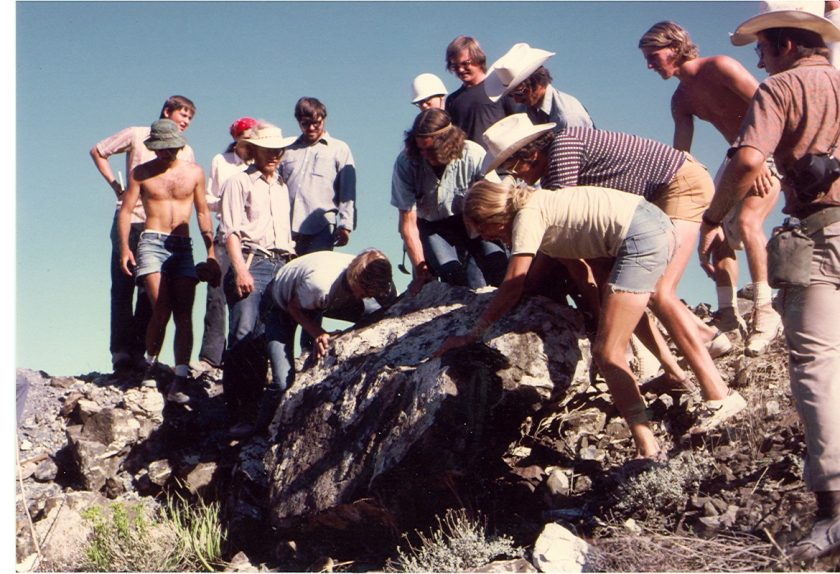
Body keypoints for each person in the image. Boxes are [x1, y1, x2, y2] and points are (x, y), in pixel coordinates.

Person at [483, 114, 746, 432]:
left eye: (512, 168)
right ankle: (682, 362)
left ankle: (718, 389)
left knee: (658, 292)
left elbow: (561, 225)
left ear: (530, 154)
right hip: (649, 207)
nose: (516, 179)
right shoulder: (555, 160)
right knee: (630, 286)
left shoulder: (562, 153)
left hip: (679, 185)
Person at [697, 1, 840, 560]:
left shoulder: (779, 91)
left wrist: (714, 217)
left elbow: (750, 158)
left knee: (816, 366)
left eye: (761, 48)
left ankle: (833, 515)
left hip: (820, 236)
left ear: (784, 44)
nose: (758, 60)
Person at [437, 179, 676, 460]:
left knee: (607, 353)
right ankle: (677, 374)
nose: (487, 238)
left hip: (641, 236)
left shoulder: (527, 216)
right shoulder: (542, 206)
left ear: (495, 215)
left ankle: (648, 447)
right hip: (652, 223)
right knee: (625, 321)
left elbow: (515, 282)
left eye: (485, 230)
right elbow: (577, 271)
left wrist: (473, 334)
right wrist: (602, 318)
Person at [639, 20, 783, 357]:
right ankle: (729, 316)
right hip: (736, 156)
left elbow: (768, 105)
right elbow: (679, 158)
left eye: (653, 55)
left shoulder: (720, 66)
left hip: (769, 147)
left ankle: (765, 310)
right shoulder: (680, 100)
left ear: (674, 47)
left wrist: (758, 157)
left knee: (748, 222)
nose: (649, 64)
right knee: (714, 232)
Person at [90, 95, 196, 374]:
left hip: (161, 231)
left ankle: (140, 351)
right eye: (182, 115)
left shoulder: (186, 151)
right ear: (166, 111)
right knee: (123, 286)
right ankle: (121, 353)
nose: (185, 121)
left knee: (154, 294)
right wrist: (116, 186)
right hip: (131, 219)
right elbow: (99, 150)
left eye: (189, 118)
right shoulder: (137, 134)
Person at [117, 119, 215, 404]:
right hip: (151, 242)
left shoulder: (194, 173)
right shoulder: (141, 173)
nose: (166, 154)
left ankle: (180, 377)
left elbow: (202, 212)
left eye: (170, 148)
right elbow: (125, 212)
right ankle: (150, 364)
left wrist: (210, 252)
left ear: (178, 145)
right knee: (160, 307)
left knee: (184, 311)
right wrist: (125, 247)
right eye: (160, 149)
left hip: (182, 246)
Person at [218, 121, 297, 436]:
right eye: (269, 150)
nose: (275, 155)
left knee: (266, 337)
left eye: (278, 150)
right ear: (254, 151)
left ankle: (261, 415)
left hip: (281, 263)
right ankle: (239, 414)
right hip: (253, 261)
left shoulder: (280, 185)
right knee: (243, 334)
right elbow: (231, 231)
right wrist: (240, 268)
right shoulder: (239, 182)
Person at [391, 108, 508, 294]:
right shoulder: (406, 163)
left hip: (472, 221)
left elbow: (497, 200)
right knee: (451, 276)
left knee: (497, 264)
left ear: (447, 143)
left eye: (430, 149)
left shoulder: (473, 154)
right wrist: (421, 270)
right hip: (432, 226)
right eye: (420, 149)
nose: (424, 155)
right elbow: (408, 224)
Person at [265, 249, 396, 394]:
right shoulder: (321, 285)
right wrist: (318, 333)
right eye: (364, 294)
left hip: (320, 299)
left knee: (377, 313)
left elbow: (389, 302)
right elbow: (293, 307)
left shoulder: (376, 274)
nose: (365, 297)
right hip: (282, 306)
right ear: (355, 280)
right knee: (283, 382)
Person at [195, 116, 256, 373]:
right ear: (237, 138)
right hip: (225, 230)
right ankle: (211, 356)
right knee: (216, 291)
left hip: (252, 234)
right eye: (247, 136)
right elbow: (209, 196)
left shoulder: (261, 161)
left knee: (246, 294)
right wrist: (228, 202)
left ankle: (240, 354)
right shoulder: (221, 161)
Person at [280, 97, 356, 256]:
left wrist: (345, 225)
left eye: (317, 123)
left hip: (321, 228)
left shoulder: (339, 149)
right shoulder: (287, 150)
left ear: (324, 119)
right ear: (298, 122)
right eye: (305, 124)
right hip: (286, 228)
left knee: (314, 274)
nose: (312, 128)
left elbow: (347, 190)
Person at [484, 42, 594, 130]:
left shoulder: (567, 116)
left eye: (519, 93)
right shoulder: (524, 110)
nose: (516, 100)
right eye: (511, 95)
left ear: (538, 83)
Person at [444, 35, 519, 147]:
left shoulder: (501, 88)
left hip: (501, 161)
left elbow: (518, 125)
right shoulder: (452, 100)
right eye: (455, 66)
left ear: (478, 58)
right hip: (467, 163)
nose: (460, 69)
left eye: (465, 63)